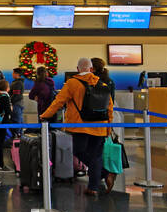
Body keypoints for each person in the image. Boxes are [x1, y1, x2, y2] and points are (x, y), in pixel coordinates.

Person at [40, 57, 114, 196]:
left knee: (79, 151)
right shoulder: (102, 85)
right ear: (91, 69)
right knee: (96, 155)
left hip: (79, 125)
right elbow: (109, 108)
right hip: (100, 126)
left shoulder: (72, 83)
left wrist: (45, 115)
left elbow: (58, 102)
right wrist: (108, 128)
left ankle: (100, 178)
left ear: (78, 69)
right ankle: (95, 185)